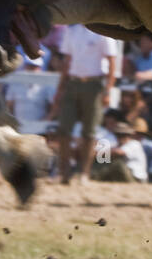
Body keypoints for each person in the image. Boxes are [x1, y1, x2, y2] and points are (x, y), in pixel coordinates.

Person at [50, 25, 120, 183]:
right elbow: (67, 62)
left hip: (94, 85)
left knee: (89, 131)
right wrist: (60, 89)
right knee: (64, 129)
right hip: (73, 83)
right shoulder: (71, 31)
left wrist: (108, 90)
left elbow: (112, 63)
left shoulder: (103, 32)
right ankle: (64, 173)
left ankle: (84, 173)